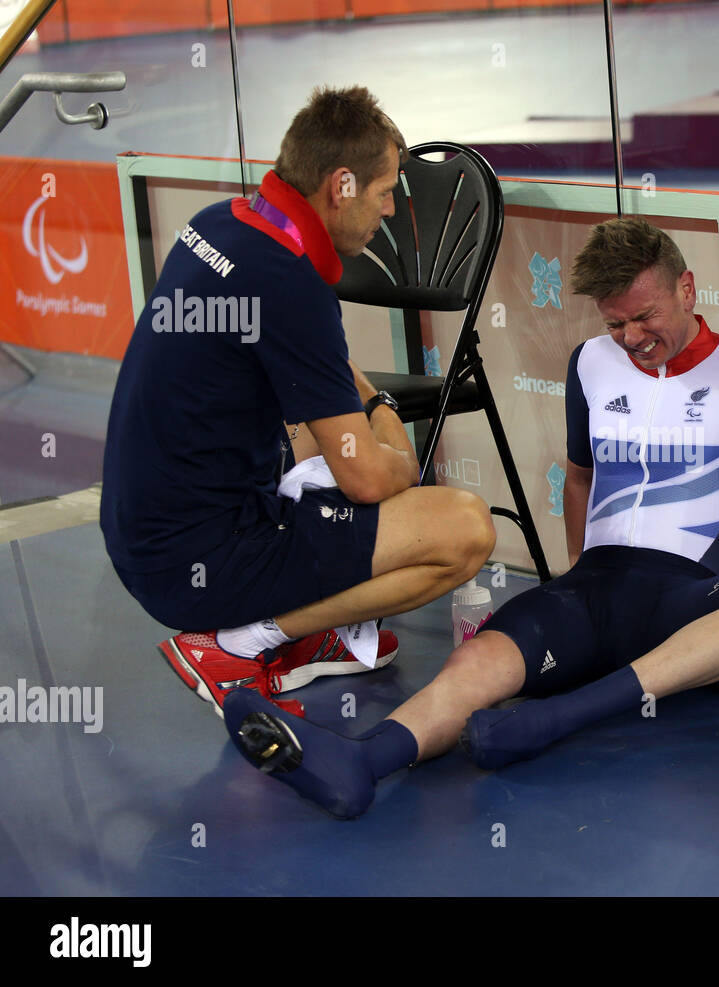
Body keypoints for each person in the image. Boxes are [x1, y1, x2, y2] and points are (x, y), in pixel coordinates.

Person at [221, 217, 719, 818]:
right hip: (594, 588)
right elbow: (579, 478)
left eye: (645, 316)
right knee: (473, 666)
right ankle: (362, 760)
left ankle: (554, 719)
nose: (631, 336)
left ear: (687, 289)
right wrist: (576, 581)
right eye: (616, 322)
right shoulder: (590, 361)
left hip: (689, 603)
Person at [100, 86, 495, 719]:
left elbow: (320, 371)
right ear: (341, 185)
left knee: (318, 433)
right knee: (464, 529)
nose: (390, 208)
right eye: (384, 191)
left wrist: (367, 407)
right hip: (196, 563)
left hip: (143, 537)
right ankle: (240, 643)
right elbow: (370, 480)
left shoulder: (221, 224)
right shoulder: (289, 283)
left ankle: (301, 625)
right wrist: (390, 429)